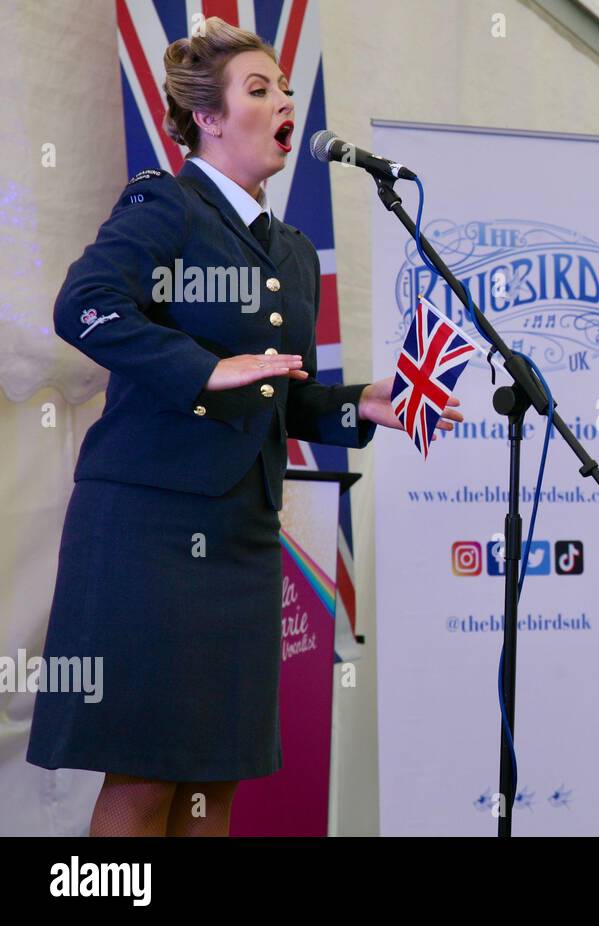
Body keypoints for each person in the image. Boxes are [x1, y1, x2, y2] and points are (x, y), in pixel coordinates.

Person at [26, 17, 461, 836]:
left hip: (241, 536)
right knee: (146, 778)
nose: (285, 100)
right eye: (258, 89)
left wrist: (361, 402)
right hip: (150, 527)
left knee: (214, 783)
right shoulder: (166, 203)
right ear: (208, 120)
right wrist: (202, 367)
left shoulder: (292, 251)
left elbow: (281, 395)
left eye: (287, 88)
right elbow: (83, 306)